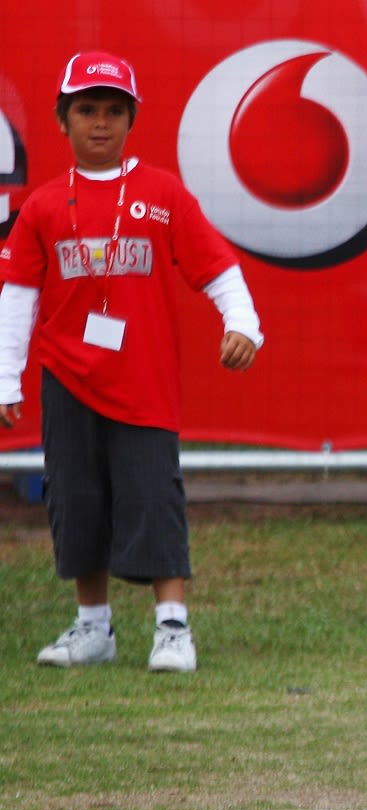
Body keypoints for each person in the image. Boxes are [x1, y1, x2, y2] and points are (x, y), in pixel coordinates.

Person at [0, 50, 264, 674]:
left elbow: (216, 264)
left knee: (153, 497)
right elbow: (18, 296)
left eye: (114, 110)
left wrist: (243, 323)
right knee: (76, 498)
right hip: (68, 380)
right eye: (86, 109)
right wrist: (6, 376)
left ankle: (172, 629)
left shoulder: (161, 194)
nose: (100, 122)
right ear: (63, 121)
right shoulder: (41, 205)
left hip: (143, 383)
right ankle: (94, 628)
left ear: (131, 120)